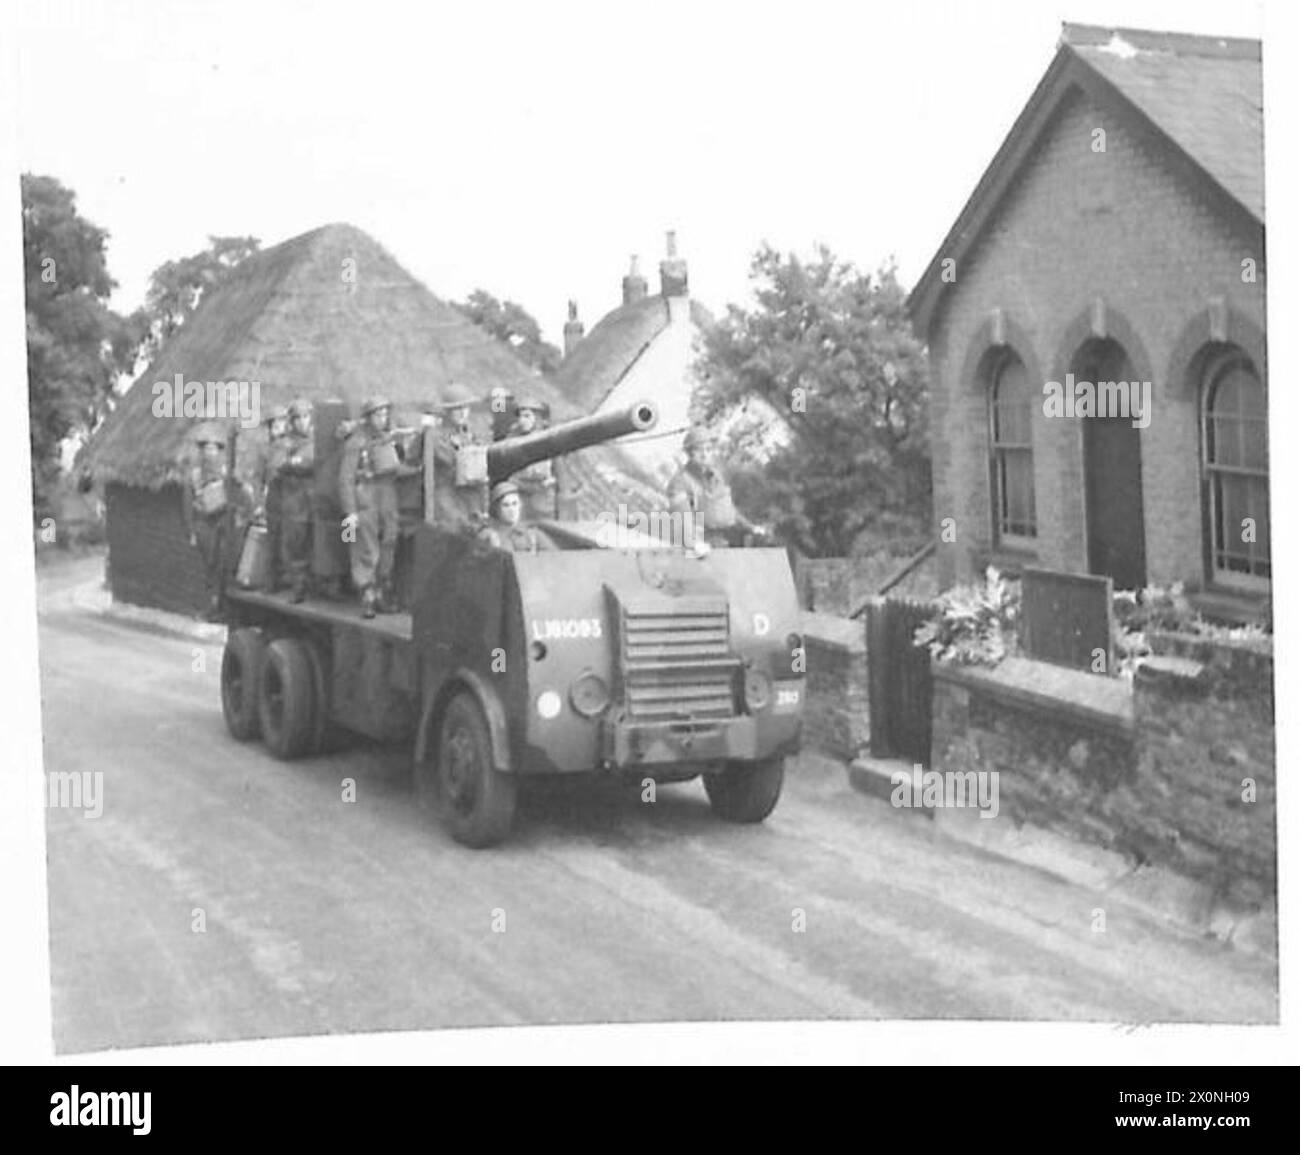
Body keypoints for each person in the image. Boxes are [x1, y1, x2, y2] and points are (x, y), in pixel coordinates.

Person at [339, 395, 402, 618]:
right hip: (366, 497)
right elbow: (345, 478)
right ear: (368, 417)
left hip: (387, 494)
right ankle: (367, 594)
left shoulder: (389, 439)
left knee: (390, 541)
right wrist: (350, 512)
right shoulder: (356, 442)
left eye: (385, 414)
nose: (382, 418)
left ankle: (383, 590)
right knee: (366, 548)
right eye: (378, 414)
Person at [182, 421, 243, 619]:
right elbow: (187, 504)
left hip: (222, 522)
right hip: (203, 524)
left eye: (214, 449)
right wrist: (191, 531)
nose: (211, 453)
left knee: (224, 564)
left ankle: (223, 607)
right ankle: (211, 605)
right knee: (209, 566)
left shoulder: (226, 473)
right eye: (207, 449)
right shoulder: (194, 476)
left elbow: (239, 496)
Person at [666, 428, 756, 547]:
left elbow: (729, 510)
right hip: (691, 548)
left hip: (719, 543)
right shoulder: (679, 482)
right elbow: (682, 519)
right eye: (699, 450)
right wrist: (696, 543)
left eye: (708, 449)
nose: (704, 455)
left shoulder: (715, 477)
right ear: (689, 453)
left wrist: (751, 527)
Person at [278, 398, 316, 602]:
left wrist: (301, 463)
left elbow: (320, 463)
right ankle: (299, 584)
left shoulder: (318, 441)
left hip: (316, 500)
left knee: (322, 540)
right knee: (296, 543)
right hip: (295, 500)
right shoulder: (286, 442)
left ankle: (324, 583)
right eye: (298, 418)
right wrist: (297, 464)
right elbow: (279, 465)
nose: (303, 422)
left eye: (306, 417)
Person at [255, 405, 291, 589]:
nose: (278, 426)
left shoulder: (293, 446)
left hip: (292, 496)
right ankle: (271, 580)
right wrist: (258, 503)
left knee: (291, 540)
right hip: (273, 498)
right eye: (274, 423)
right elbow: (259, 479)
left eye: (281, 422)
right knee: (273, 539)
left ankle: (289, 578)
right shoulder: (265, 451)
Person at [507, 398, 556, 519]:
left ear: (537, 419)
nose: (522, 420)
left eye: (527, 416)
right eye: (520, 416)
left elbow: (545, 475)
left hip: (541, 503)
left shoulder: (546, 441)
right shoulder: (512, 439)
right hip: (517, 501)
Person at [477, 480, 554, 554]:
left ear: (520, 505)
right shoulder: (487, 536)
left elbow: (555, 559)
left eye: (515, 504)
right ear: (497, 509)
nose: (511, 510)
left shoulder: (533, 535)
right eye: (506, 505)